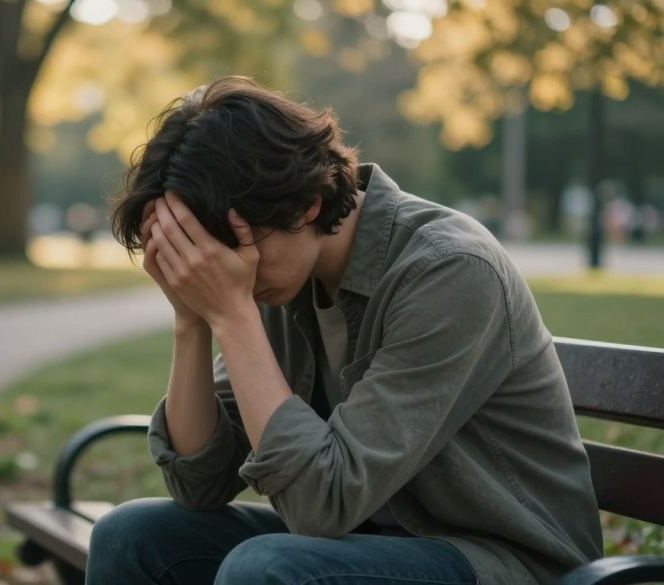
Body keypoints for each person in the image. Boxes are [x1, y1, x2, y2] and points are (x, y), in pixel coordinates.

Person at [86, 76, 603, 585]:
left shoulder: (450, 270)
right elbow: (200, 483)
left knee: (266, 569)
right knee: (129, 537)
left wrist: (232, 314)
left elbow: (321, 504)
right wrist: (191, 319)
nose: (223, 274)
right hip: (371, 543)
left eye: (231, 251)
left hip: (507, 561)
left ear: (307, 203)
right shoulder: (276, 272)